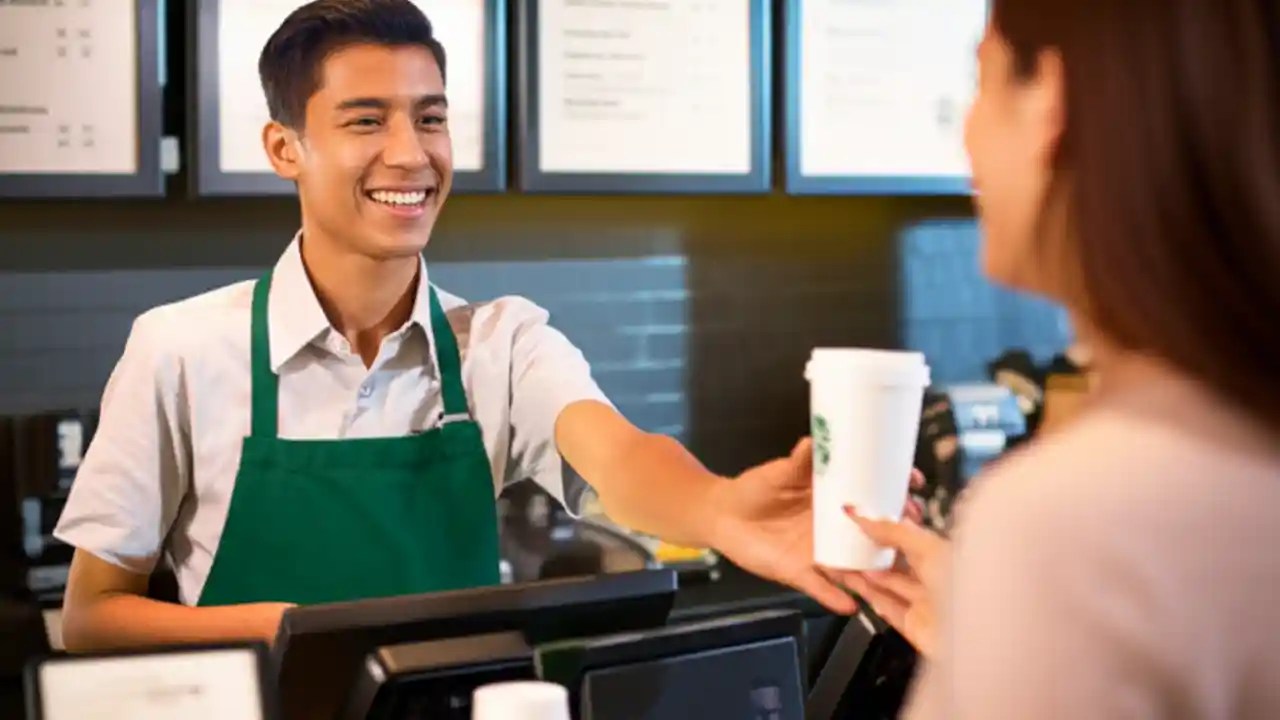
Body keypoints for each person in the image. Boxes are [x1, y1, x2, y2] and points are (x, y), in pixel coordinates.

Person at [53, 0, 858, 652]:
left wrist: (721, 508)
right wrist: (296, 632)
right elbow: (92, 616)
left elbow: (623, 459)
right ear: (284, 147)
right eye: (366, 122)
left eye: (429, 118)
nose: (410, 154)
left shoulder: (501, 344)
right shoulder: (182, 349)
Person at [838, 0, 1280, 716]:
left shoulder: (1068, 523)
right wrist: (998, 638)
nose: (968, 137)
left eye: (979, 85)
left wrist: (1029, 602)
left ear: (1049, 99)